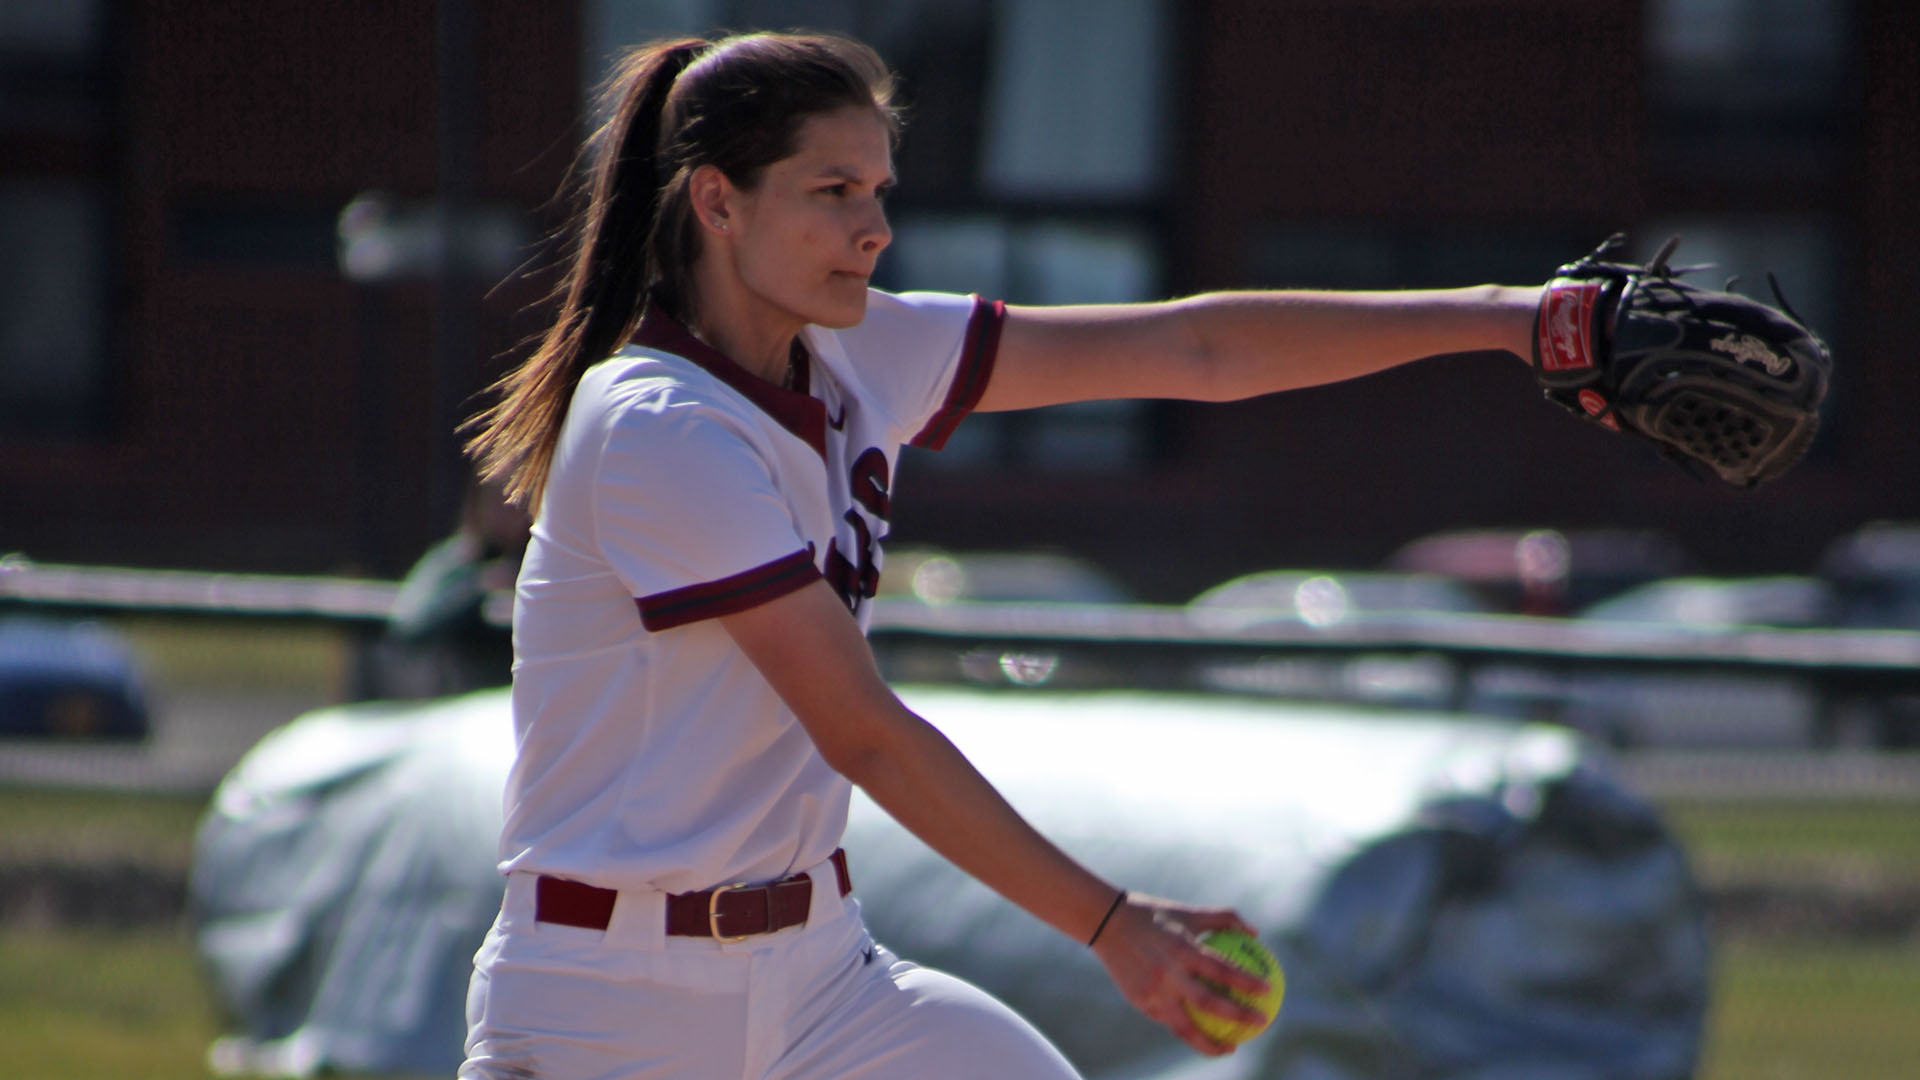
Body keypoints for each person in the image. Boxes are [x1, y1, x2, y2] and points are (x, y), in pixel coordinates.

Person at [457, 30, 1539, 1080]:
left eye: (880, 191)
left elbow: (1192, 346)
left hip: (819, 978)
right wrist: (1114, 926)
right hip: (613, 1007)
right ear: (717, 201)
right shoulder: (660, 422)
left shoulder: (857, 349)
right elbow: (865, 735)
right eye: (833, 191)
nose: (874, 226)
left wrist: (1510, 318)